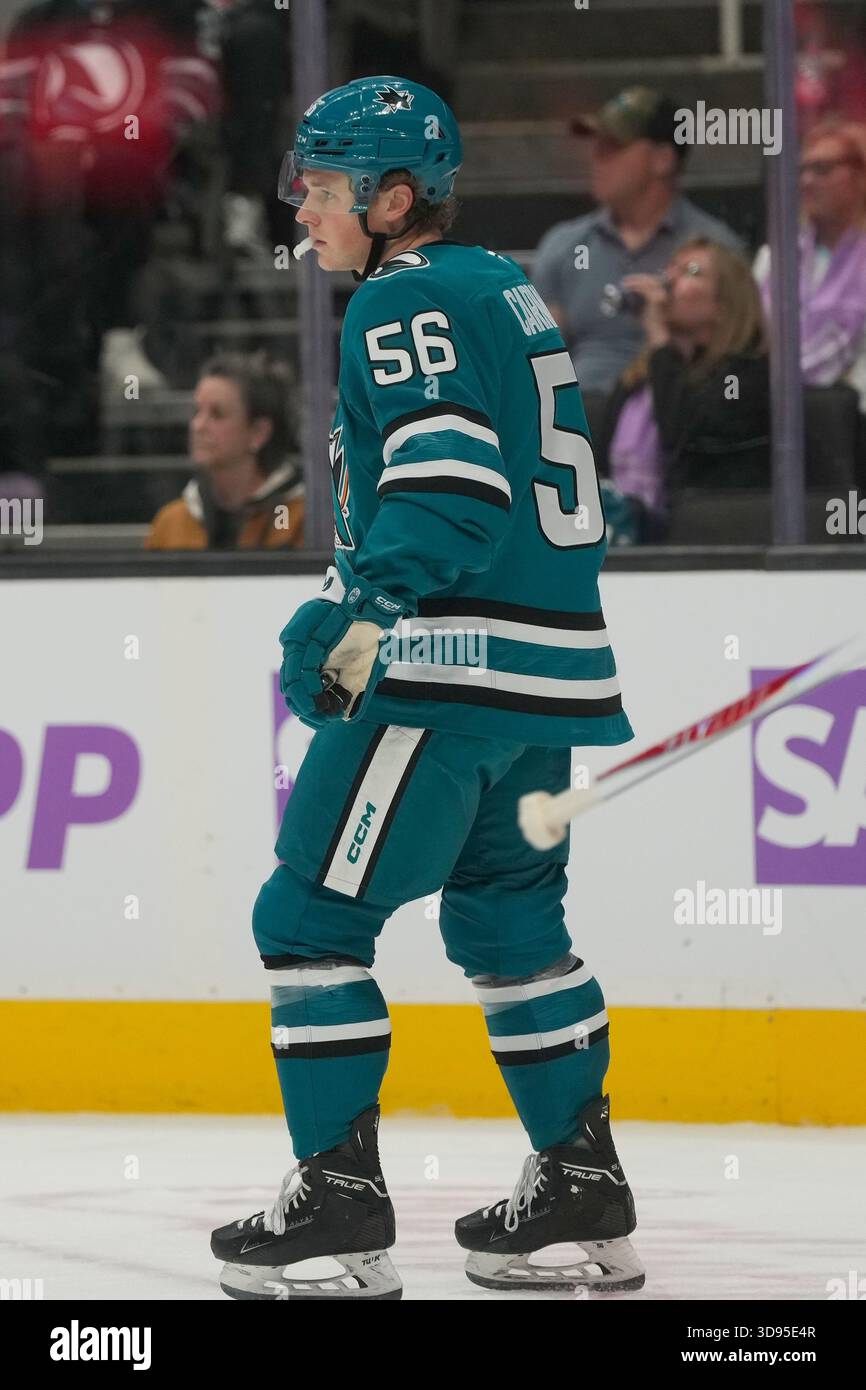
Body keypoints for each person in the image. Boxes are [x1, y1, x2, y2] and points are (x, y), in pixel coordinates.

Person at [209, 76, 642, 1302]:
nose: (305, 201)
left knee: (305, 922)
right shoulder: (496, 284)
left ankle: (339, 1213)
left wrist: (358, 621)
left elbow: (450, 488)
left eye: (327, 182)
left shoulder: (403, 299)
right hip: (541, 683)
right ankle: (580, 1190)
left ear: (394, 200)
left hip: (448, 671)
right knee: (508, 930)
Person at [531, 87, 744, 409]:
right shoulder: (564, 245)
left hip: (677, 418)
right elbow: (536, 355)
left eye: (613, 146)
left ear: (662, 160)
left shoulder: (715, 250)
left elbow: (732, 354)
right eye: (597, 145)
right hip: (581, 420)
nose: (597, 157)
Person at [594, 237, 770, 540]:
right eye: (670, 268)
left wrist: (660, 341)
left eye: (691, 272)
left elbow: (681, 433)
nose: (669, 281)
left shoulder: (745, 376)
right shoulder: (640, 378)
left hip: (708, 537)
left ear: (723, 305)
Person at [753, 118, 866, 417]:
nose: (806, 182)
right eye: (802, 171)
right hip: (776, 415)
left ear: (860, 175)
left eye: (822, 169)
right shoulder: (773, 260)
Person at [145, 351, 303, 549]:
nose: (198, 426)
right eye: (196, 412)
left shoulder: (303, 521)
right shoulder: (170, 524)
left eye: (217, 414)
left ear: (258, 432)